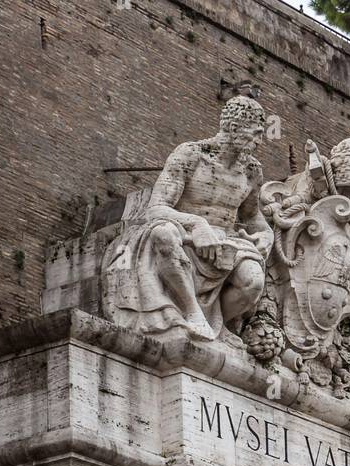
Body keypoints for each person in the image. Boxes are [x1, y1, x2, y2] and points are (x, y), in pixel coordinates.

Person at [102, 95, 273, 345]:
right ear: (233, 127)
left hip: (226, 244)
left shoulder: (251, 171)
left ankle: (219, 324)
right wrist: (197, 225)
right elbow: (156, 208)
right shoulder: (191, 155)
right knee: (163, 233)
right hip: (185, 234)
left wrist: (266, 235)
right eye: (256, 133)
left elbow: (253, 216)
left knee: (253, 281)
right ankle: (192, 313)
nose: (259, 142)